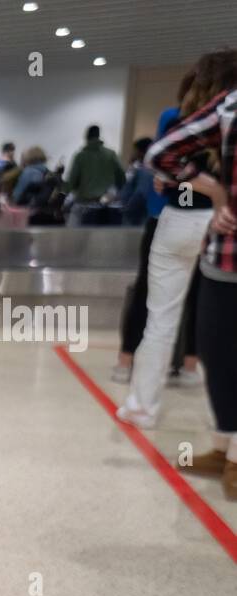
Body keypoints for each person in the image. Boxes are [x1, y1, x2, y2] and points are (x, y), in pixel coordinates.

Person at [118, 50, 236, 431]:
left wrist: (192, 183)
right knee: (219, 326)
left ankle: (141, 406)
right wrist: (219, 193)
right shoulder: (228, 117)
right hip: (221, 227)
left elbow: (161, 168)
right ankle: (219, 421)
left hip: (176, 222)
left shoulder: (176, 118)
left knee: (161, 317)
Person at [147, 56, 237, 500]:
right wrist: (219, 192)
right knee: (216, 352)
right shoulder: (228, 107)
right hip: (223, 254)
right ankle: (224, 449)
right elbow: (162, 155)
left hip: (210, 245)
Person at [114, 70, 202, 385]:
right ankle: (188, 365)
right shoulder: (216, 127)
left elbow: (161, 167)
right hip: (196, 218)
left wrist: (172, 180)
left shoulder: (173, 119)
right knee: (195, 294)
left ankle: (127, 362)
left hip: (165, 216)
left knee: (148, 291)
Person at [65, 125, 126, 224]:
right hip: (106, 204)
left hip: (84, 203)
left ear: (86, 137)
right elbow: (121, 178)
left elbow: (72, 181)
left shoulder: (80, 156)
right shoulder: (111, 154)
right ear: (99, 136)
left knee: (81, 236)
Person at [118, 137, 157, 225]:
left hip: (135, 217)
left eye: (134, 150)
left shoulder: (145, 170)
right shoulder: (138, 168)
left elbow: (140, 194)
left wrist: (127, 208)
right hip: (136, 215)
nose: (133, 153)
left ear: (141, 152)